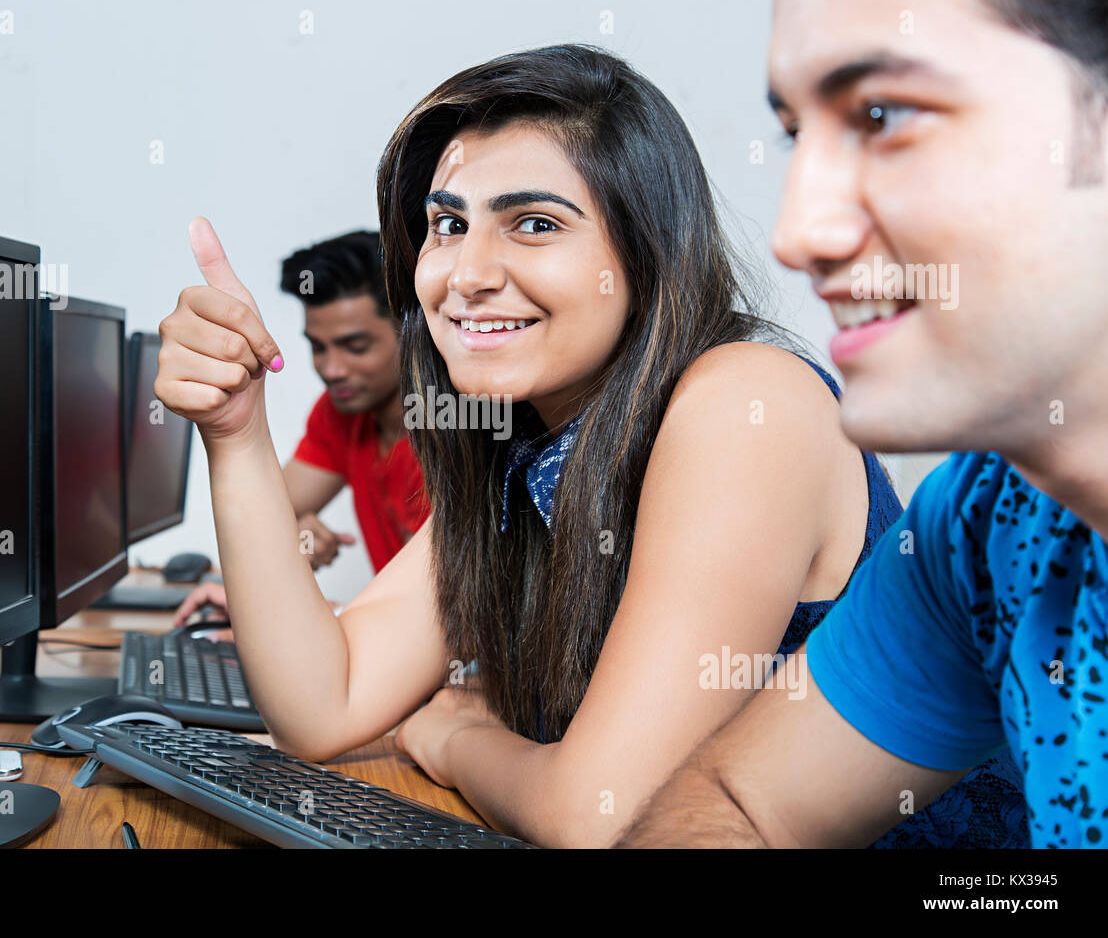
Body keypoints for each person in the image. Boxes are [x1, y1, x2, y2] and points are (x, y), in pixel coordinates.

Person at [154, 44, 1021, 847]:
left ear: (645, 255)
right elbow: (324, 702)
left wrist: (451, 728)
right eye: (447, 225)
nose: (467, 274)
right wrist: (236, 437)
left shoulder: (746, 400)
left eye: (534, 224)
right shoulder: (521, 441)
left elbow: (600, 815)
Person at [620, 0, 1107, 848]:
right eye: (797, 135)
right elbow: (738, 799)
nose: (798, 232)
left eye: (884, 116)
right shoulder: (989, 517)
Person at [173, 230, 429, 625]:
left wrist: (294, 614)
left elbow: (430, 619)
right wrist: (292, 533)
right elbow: (267, 516)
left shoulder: (450, 435)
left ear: (412, 332)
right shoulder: (341, 413)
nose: (331, 369)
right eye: (318, 346)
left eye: (355, 347)